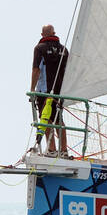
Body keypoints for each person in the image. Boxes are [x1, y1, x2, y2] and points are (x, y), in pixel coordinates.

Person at [30, 24, 70, 156]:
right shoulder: (64, 50)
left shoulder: (39, 48)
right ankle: (64, 150)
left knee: (45, 118)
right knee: (59, 120)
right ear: (54, 33)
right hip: (59, 92)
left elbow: (36, 69)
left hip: (45, 91)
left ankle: (51, 149)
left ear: (42, 35)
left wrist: (32, 90)